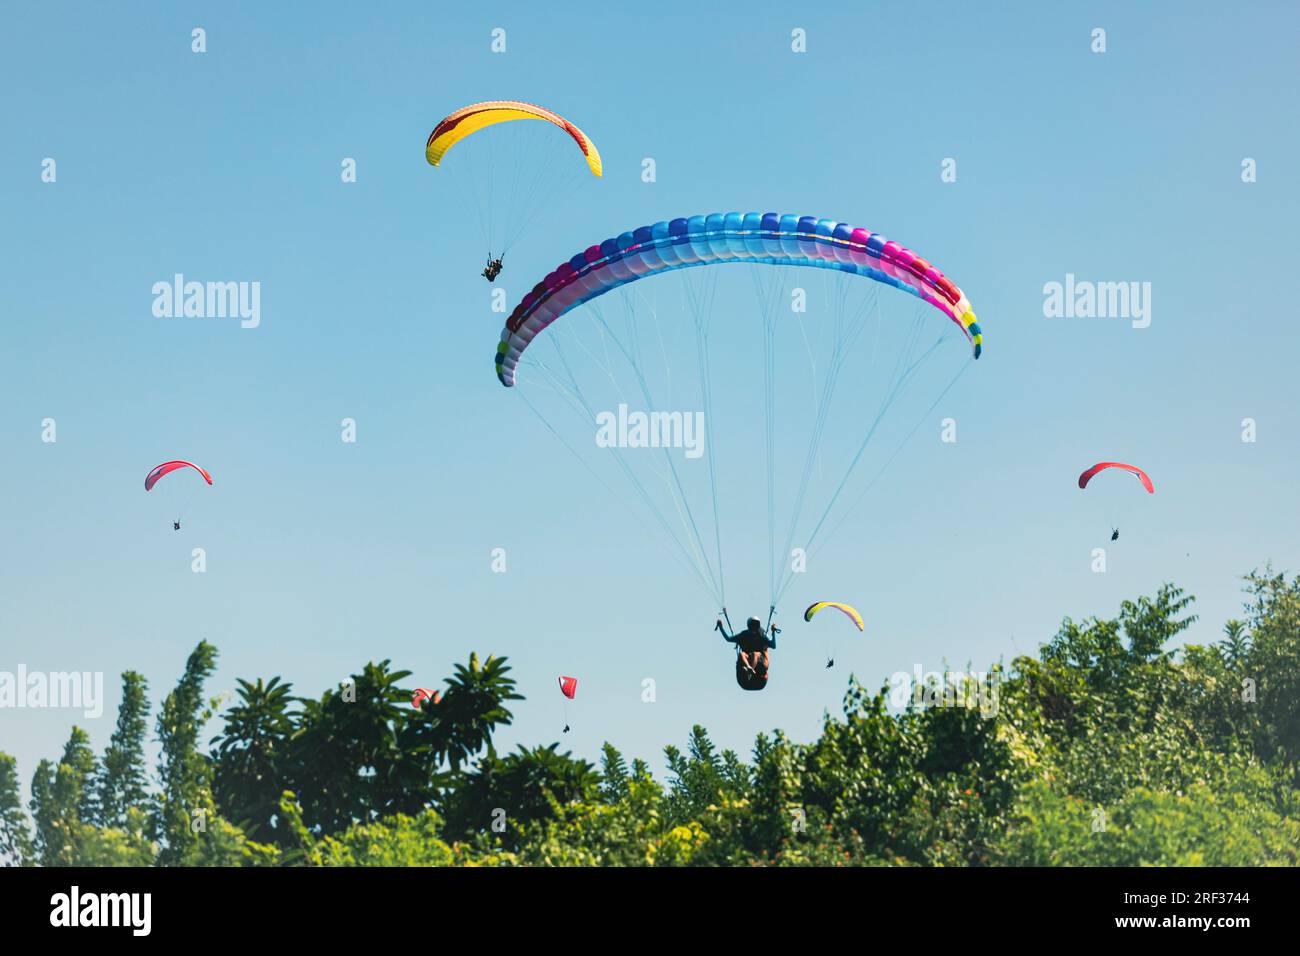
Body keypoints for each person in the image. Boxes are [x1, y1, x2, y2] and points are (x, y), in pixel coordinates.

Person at [716, 616, 778, 691]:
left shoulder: (762, 634)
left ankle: (750, 671)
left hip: (757, 676)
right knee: (742, 654)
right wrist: (721, 627)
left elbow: (773, 645)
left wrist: (773, 632)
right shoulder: (743, 635)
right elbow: (728, 639)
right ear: (749, 626)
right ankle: (749, 668)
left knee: (755, 654)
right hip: (749, 680)